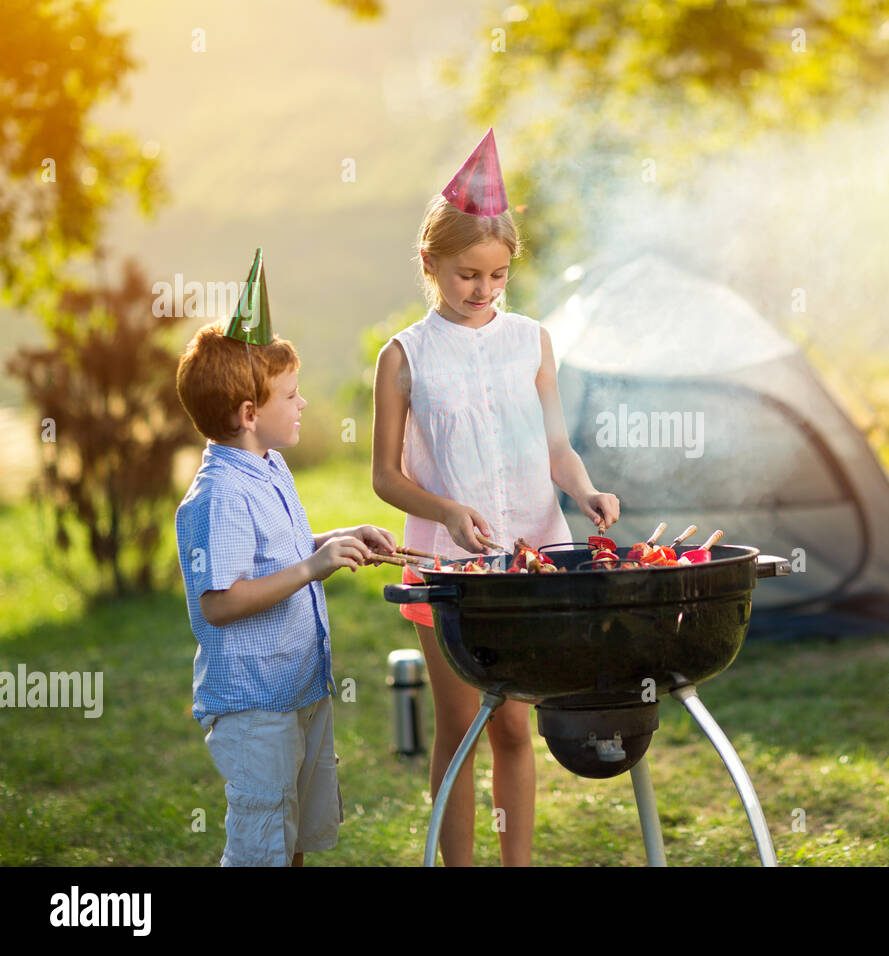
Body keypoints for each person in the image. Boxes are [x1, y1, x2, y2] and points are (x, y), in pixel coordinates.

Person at [371, 129, 620, 866]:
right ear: (431, 264)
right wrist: (447, 511)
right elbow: (385, 477)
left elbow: (556, 448)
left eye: (497, 276)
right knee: (459, 728)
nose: (482, 292)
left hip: (531, 564)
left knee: (515, 728)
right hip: (451, 573)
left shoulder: (532, 342)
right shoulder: (404, 357)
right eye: (466, 276)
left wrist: (585, 490)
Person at [175, 250, 396, 866]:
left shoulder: (267, 465)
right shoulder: (218, 494)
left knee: (292, 837)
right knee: (262, 843)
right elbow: (220, 602)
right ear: (249, 415)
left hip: (298, 687)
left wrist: (333, 540)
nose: (302, 405)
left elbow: (276, 552)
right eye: (292, 395)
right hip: (254, 705)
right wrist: (311, 569)